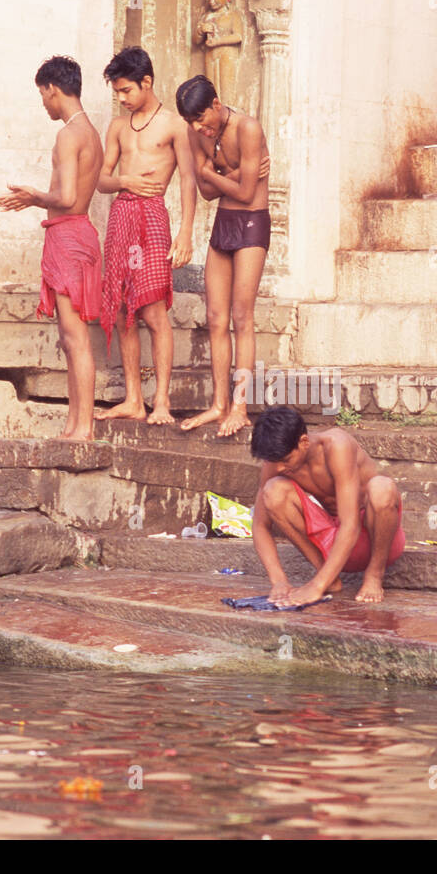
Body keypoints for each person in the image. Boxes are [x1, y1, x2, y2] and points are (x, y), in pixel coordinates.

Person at [0, 55, 105, 441]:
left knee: (75, 339)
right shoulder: (91, 132)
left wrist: (34, 196)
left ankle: (84, 427)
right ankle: (75, 424)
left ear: (52, 89)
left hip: (69, 235)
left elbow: (68, 195)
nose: (43, 103)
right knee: (73, 338)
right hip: (79, 233)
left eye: (42, 95)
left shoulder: (69, 134)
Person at [94, 46, 196, 425]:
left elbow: (188, 179)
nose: (121, 99)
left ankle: (162, 402)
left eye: (126, 91)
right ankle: (134, 400)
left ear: (146, 82)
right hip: (121, 215)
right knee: (123, 310)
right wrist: (125, 180)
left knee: (153, 310)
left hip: (153, 218)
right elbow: (102, 180)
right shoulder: (118, 127)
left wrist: (185, 233)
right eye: (117, 92)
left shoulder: (173, 124)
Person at [175, 75, 272, 438]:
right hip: (223, 225)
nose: (199, 128)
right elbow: (206, 193)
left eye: (203, 119)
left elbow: (247, 194)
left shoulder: (247, 128)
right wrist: (223, 174)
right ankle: (218, 405)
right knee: (215, 318)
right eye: (192, 122)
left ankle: (240, 408)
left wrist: (212, 171)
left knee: (241, 316)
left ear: (216, 104)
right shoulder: (195, 132)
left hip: (251, 225)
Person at [249, 406, 405, 608]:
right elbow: (260, 525)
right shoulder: (276, 461)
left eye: (285, 460)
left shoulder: (336, 446)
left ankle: (374, 575)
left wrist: (316, 586)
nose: (278, 468)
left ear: (303, 442)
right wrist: (278, 580)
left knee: (382, 487)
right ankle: (329, 578)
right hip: (333, 543)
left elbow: (351, 524)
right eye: (274, 462)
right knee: (273, 491)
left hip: (373, 537)